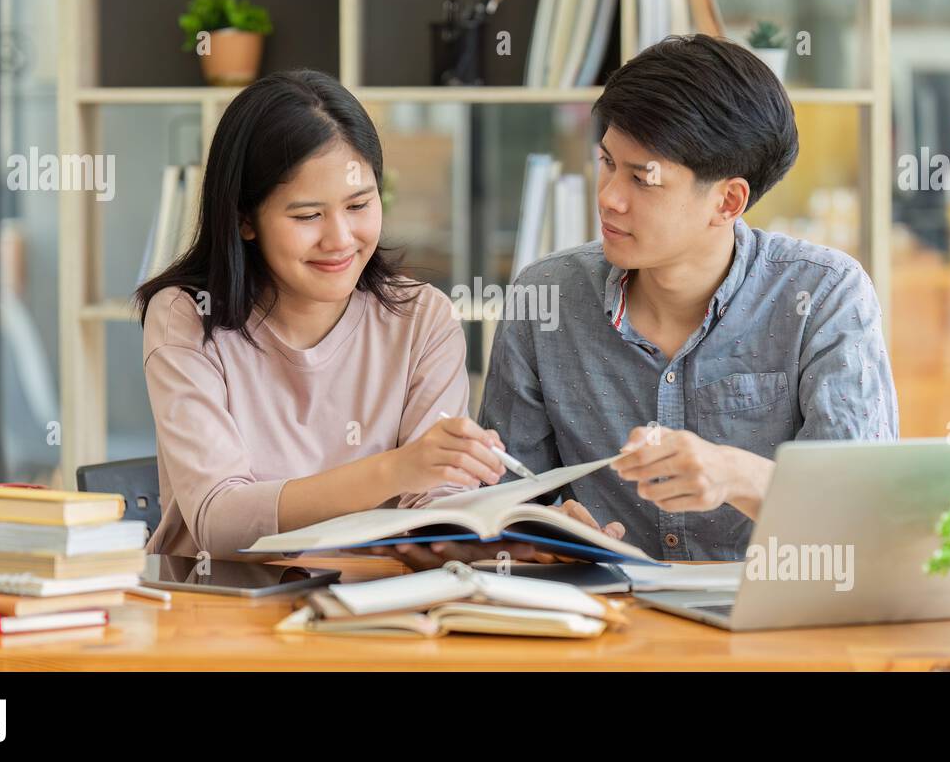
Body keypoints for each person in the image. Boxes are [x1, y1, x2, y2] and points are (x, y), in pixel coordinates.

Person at [381, 35, 899, 569]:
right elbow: (504, 502)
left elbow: (863, 507)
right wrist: (539, 533)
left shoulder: (824, 295)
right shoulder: (547, 297)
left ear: (728, 200)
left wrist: (734, 475)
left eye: (642, 177)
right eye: (607, 162)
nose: (608, 195)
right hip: (605, 624)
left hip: (773, 620)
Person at [135, 69, 507, 562]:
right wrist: (396, 470)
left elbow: (435, 512)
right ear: (245, 219)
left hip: (373, 612)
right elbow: (219, 522)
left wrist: (507, 533)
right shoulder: (187, 318)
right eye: (307, 216)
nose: (340, 239)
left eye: (359, 204)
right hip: (221, 614)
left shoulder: (423, 319)